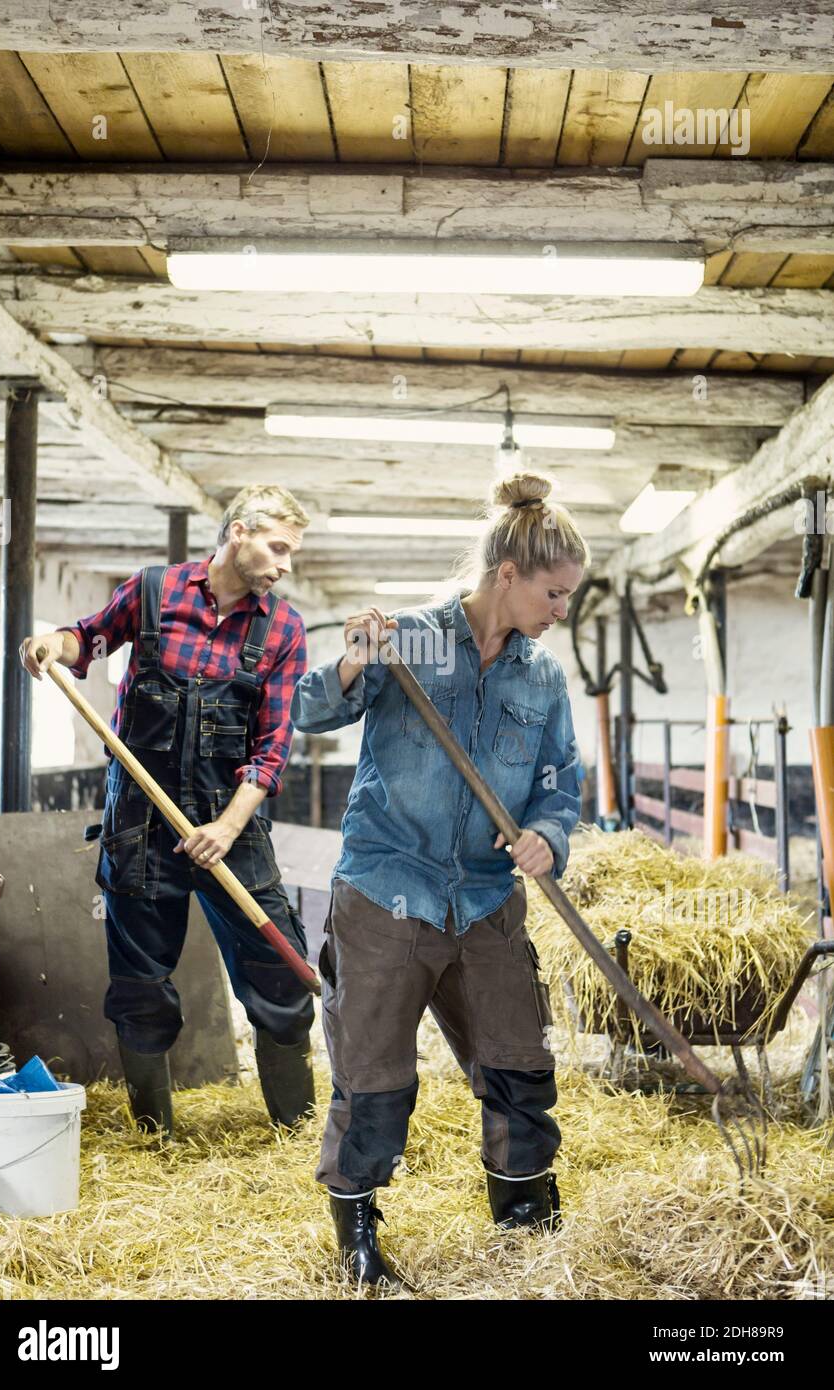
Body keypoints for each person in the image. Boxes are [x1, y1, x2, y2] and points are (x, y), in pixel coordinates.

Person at [291, 470, 588, 1285]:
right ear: (508, 577)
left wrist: (547, 835)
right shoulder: (413, 638)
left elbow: (563, 778)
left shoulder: (542, 677)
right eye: (555, 593)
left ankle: (527, 1227)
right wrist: (354, 660)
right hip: (390, 891)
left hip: (488, 899)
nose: (563, 610)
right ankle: (360, 1243)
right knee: (374, 1078)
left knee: (520, 1068)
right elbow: (308, 712)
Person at [20, 484, 315, 1137]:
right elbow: (89, 639)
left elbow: (272, 750)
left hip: (229, 825)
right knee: (141, 989)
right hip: (142, 822)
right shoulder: (154, 592)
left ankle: (296, 1131)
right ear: (238, 533)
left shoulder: (283, 631)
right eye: (277, 546)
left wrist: (227, 828)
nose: (285, 564)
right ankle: (154, 1133)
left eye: (292, 552)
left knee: (282, 977)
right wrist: (53, 643)